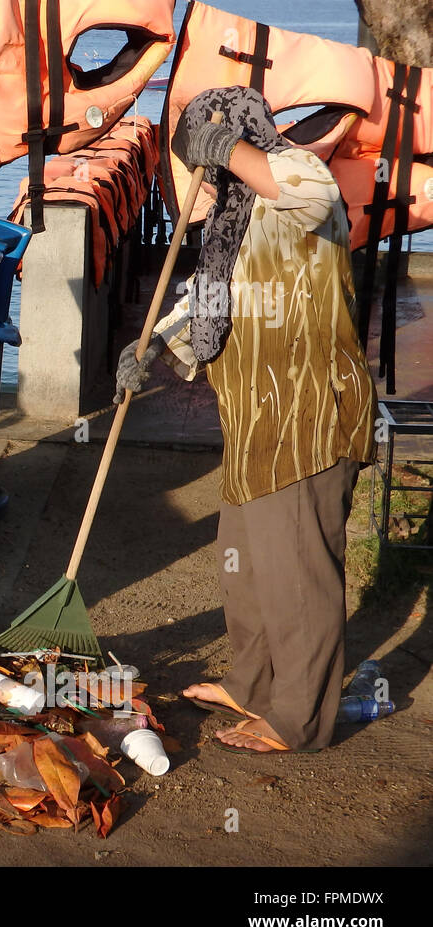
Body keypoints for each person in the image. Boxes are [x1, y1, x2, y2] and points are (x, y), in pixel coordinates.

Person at [116, 88, 377, 754]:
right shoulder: (234, 220)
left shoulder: (297, 177)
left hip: (309, 417)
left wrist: (227, 144)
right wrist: (146, 351)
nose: (201, 179)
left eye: (202, 158)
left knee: (297, 578)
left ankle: (298, 719)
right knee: (248, 570)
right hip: (257, 424)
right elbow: (208, 303)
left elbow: (307, 192)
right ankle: (253, 684)